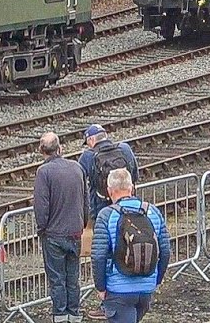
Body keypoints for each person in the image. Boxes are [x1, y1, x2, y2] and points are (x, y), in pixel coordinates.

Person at [91, 168, 172, 323]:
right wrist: (156, 280)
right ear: (132, 188)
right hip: (146, 288)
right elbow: (166, 251)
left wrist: (100, 287)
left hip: (118, 289)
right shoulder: (152, 212)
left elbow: (98, 256)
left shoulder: (106, 215)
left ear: (109, 191)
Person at [36, 131, 89, 323]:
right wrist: (82, 223)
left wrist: (41, 228)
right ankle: (74, 314)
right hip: (75, 231)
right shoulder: (77, 167)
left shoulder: (44, 172)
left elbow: (41, 205)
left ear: (41, 150)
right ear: (60, 148)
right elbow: (85, 199)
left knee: (57, 278)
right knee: (73, 277)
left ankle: (60, 315)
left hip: (54, 234)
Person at [80, 124, 139, 218]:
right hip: (128, 203)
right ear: (105, 135)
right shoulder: (125, 148)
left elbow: (79, 181)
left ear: (91, 139)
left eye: (87, 143)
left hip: (101, 208)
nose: (89, 146)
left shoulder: (88, 156)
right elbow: (135, 175)